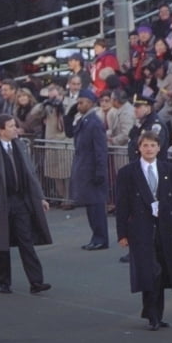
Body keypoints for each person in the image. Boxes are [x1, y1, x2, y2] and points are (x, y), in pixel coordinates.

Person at [115, 131, 172, 330]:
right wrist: (122, 234)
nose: (149, 149)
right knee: (151, 271)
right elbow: (121, 205)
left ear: (159, 148)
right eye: (145, 145)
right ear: (139, 148)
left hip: (165, 228)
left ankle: (157, 313)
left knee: (163, 271)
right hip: (141, 229)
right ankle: (152, 315)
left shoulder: (168, 169)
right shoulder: (127, 173)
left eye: (152, 145)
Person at [0, 113, 52, 293]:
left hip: (20, 201)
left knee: (27, 241)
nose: (15, 129)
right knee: (1, 243)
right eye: (10, 126)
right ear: (0, 130)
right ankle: (4, 281)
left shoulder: (21, 146)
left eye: (15, 125)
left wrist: (40, 197)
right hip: (0, 202)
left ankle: (36, 282)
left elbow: (31, 174)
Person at [69, 88, 111, 250]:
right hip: (86, 169)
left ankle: (101, 238)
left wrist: (100, 172)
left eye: (81, 102)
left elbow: (100, 150)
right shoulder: (84, 120)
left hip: (92, 170)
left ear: (90, 103)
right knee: (91, 207)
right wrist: (69, 114)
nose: (78, 105)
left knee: (96, 208)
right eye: (78, 102)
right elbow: (70, 132)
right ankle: (96, 237)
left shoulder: (94, 123)